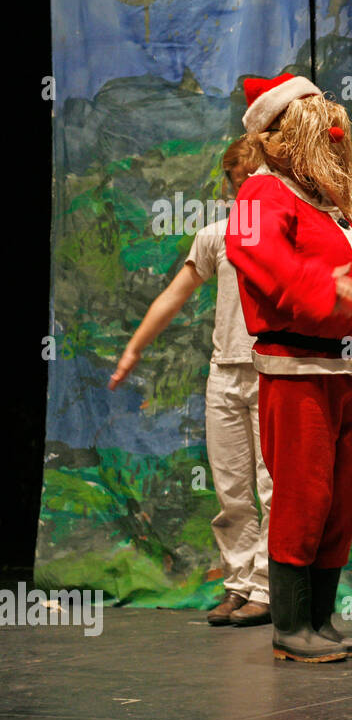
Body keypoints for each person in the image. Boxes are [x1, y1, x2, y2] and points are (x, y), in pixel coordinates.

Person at [225, 73, 352, 663]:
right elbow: (257, 256)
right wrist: (328, 290)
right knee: (303, 496)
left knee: (344, 499)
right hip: (299, 372)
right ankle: (290, 626)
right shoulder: (259, 194)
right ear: (274, 139)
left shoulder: (332, 207)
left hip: (349, 372)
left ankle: (320, 622)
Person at [110, 139, 272, 628]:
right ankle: (239, 583)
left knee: (273, 486)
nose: (245, 186)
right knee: (231, 490)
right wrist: (136, 347)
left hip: (272, 371)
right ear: (228, 184)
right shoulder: (216, 236)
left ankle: (267, 587)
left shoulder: (288, 230)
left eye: (255, 178)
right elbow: (174, 294)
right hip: (224, 374)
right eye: (237, 179)